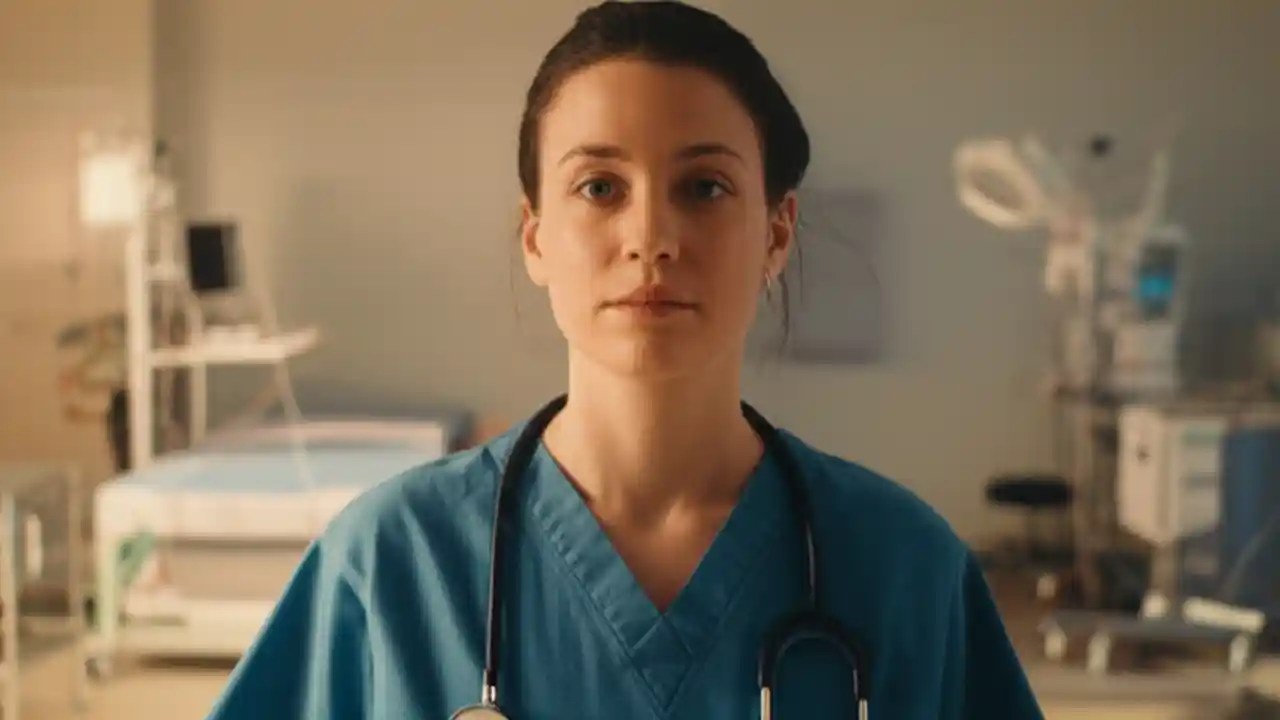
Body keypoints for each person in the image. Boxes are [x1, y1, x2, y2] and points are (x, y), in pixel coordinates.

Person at [205, 2, 1044, 718]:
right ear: (534, 237)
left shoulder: (903, 567)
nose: (651, 239)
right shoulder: (394, 565)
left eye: (704, 188)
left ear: (777, 233)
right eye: (599, 188)